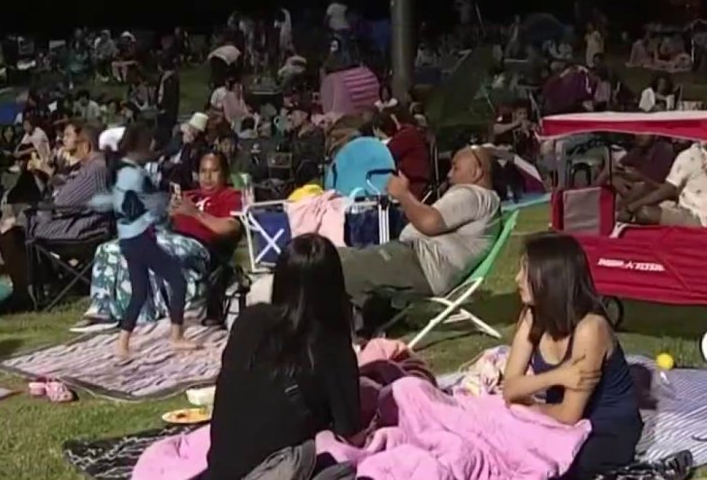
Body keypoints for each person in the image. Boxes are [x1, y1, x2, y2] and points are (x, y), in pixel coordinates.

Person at [207, 234, 359, 480]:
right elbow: (349, 427)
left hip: (221, 470)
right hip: (271, 470)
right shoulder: (329, 343)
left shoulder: (249, 320)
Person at [502, 233, 641, 480]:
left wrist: (524, 408)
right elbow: (510, 387)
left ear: (550, 278)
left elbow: (569, 415)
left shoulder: (590, 329)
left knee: (556, 467)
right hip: (556, 416)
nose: (516, 279)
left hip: (604, 426)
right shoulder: (532, 316)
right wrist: (557, 376)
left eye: (526, 271)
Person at [341, 146, 501, 334]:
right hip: (416, 260)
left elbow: (429, 222)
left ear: (476, 172)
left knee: (339, 265)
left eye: (456, 168)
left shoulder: (472, 195)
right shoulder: (485, 201)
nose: (449, 174)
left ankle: (342, 332)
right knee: (339, 256)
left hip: (420, 264)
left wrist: (402, 194)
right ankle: (370, 320)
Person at [90, 124, 197, 360]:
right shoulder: (135, 174)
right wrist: (167, 206)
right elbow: (152, 204)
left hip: (128, 239)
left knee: (139, 292)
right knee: (177, 280)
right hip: (140, 237)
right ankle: (176, 337)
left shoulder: (120, 169)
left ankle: (122, 343)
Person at [0, 122, 110, 313]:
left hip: (82, 229)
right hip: (80, 221)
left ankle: (26, 293)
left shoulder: (94, 169)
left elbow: (63, 201)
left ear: (86, 145)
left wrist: (31, 215)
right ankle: (40, 284)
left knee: (11, 231)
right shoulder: (93, 167)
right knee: (17, 222)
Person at [169, 151, 243, 325]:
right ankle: (106, 308)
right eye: (203, 171)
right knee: (115, 249)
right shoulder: (190, 196)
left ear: (224, 174)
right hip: (173, 241)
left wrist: (195, 213)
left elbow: (230, 227)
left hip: (204, 250)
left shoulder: (230, 196)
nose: (207, 177)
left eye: (214, 171)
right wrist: (170, 212)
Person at [617, 140, 707, 227]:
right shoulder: (637, 151)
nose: (675, 140)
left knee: (644, 212)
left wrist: (631, 208)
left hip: (698, 217)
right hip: (687, 206)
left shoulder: (688, 156)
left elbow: (668, 190)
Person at [593, 134, 675, 204]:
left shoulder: (664, 150)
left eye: (644, 131)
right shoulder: (638, 151)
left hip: (655, 194)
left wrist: (639, 177)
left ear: (656, 135)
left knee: (639, 187)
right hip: (634, 190)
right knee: (610, 179)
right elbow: (620, 166)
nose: (639, 135)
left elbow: (655, 185)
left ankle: (616, 212)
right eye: (637, 131)